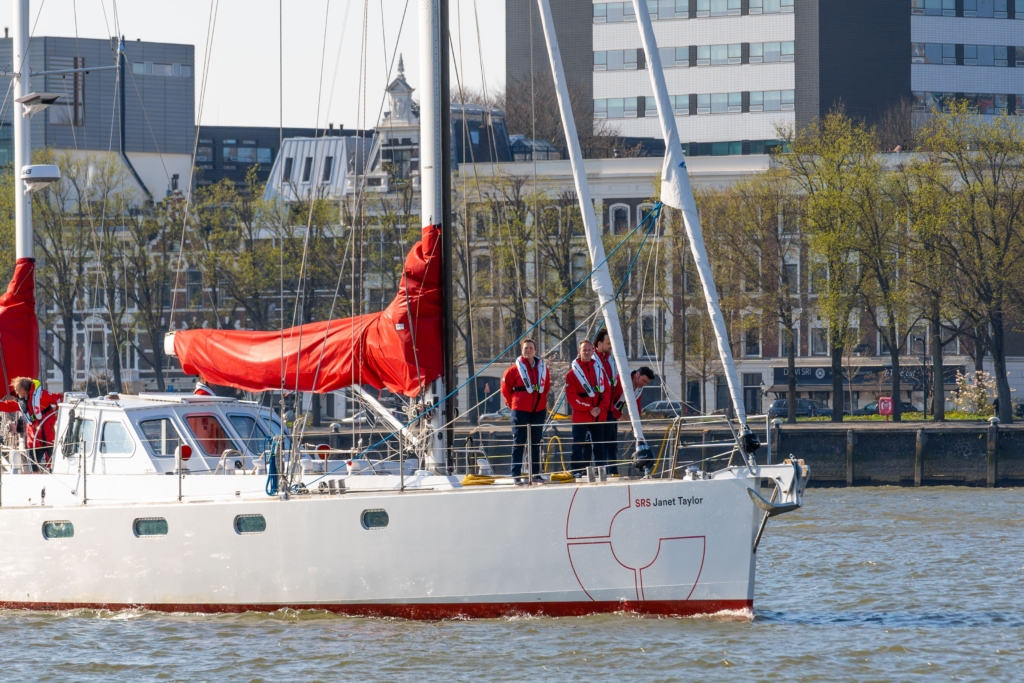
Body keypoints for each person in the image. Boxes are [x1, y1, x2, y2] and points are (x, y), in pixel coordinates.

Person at [500, 339, 550, 482]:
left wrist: (542, 402)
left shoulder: (542, 368)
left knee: (535, 442)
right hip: (520, 410)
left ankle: (535, 474)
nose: (528, 350)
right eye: (525, 348)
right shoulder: (513, 370)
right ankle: (516, 474)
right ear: (522, 350)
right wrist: (513, 405)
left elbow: (545, 387)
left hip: (538, 410)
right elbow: (505, 390)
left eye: (530, 348)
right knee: (519, 442)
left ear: (535, 350)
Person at [565, 339, 610, 476]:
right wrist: (590, 408)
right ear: (579, 352)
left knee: (599, 445)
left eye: (589, 350)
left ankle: (600, 471)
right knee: (578, 444)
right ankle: (576, 471)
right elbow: (572, 397)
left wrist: (600, 408)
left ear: (592, 351)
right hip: (581, 415)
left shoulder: (599, 371)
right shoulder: (571, 374)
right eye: (584, 350)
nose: (587, 352)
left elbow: (607, 391)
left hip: (598, 415)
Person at [0, 377, 64, 472]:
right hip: (33, 440)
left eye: (17, 391)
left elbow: (60, 399)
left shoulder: (42, 396)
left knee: (54, 467)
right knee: (35, 469)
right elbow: (8, 406)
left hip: (49, 437)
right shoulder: (22, 403)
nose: (17, 394)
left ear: (22, 389)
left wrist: (57, 414)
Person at [606, 366, 655, 474]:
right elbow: (607, 400)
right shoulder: (621, 380)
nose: (644, 384)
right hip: (605, 414)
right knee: (605, 444)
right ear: (637, 374)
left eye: (647, 383)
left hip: (613, 416)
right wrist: (620, 416)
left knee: (612, 444)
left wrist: (635, 422)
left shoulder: (638, 387)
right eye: (644, 381)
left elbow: (636, 404)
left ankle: (612, 471)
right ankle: (605, 471)